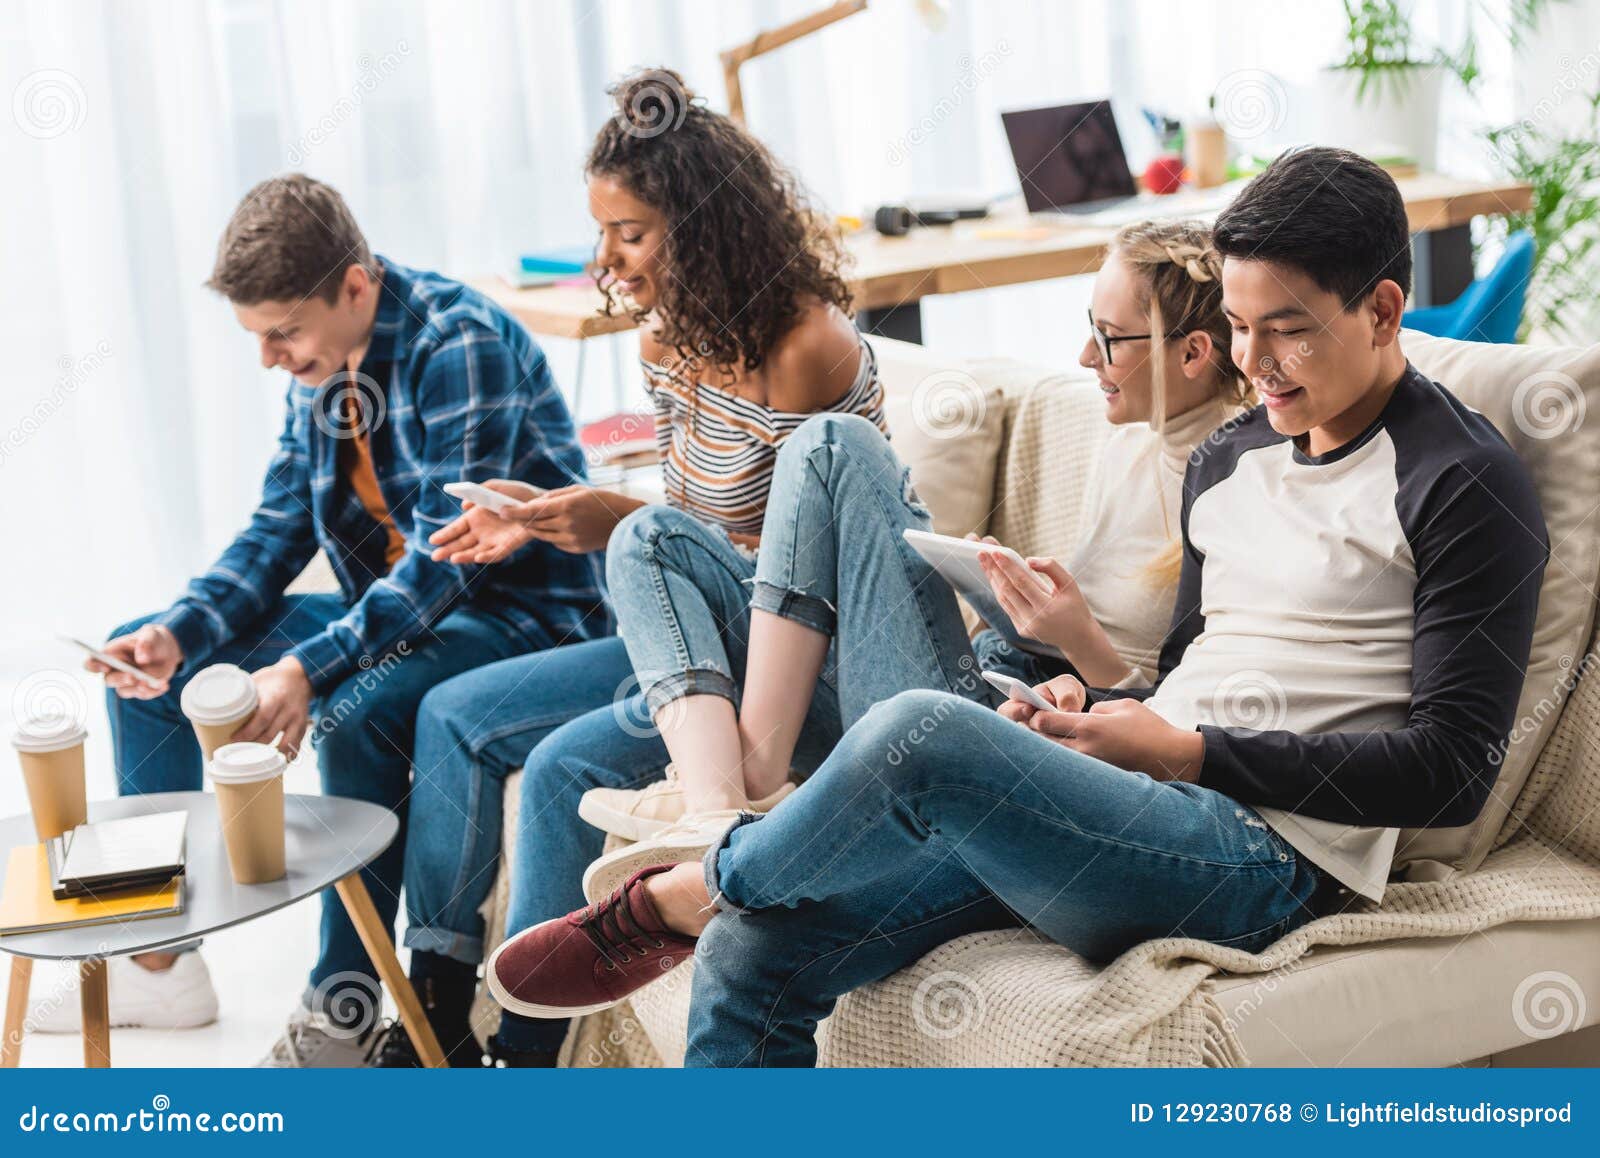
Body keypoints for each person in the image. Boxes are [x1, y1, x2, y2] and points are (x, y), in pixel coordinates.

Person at [486, 146, 1551, 1068]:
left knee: (912, 732)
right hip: (1136, 799)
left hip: (1266, 863)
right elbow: (1181, 675)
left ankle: (686, 889)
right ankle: (717, 913)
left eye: (1287, 332)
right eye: (1235, 327)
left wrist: (1184, 755)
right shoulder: (1230, 454)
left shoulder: (1461, 482)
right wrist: (1090, 717)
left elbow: (1452, 771)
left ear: (1380, 309)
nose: (1253, 364)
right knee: (759, 952)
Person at [377, 68, 885, 1067]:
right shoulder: (670, 342)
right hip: (696, 631)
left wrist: (621, 523)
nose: (607, 255)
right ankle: (435, 1012)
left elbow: (798, 568)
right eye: (601, 230)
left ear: (701, 225)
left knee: (564, 762)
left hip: (794, 659)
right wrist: (569, 515)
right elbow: (688, 527)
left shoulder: (804, 349)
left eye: (631, 231)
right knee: (452, 714)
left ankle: (526, 1057)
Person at [83, 175, 608, 1067]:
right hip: (405, 612)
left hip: (517, 617)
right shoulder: (324, 364)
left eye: (283, 332)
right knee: (156, 673)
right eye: (258, 337)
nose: (271, 359)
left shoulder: (459, 343)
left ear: (356, 286)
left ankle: (344, 1005)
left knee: (358, 699)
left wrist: (307, 669)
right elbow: (279, 527)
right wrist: (181, 628)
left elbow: (443, 569)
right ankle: (159, 964)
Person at [576, 218, 1255, 898]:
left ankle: (732, 799)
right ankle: (719, 803)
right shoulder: (1133, 440)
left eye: (1108, 338)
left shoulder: (1236, 488)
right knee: (649, 539)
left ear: (1193, 353)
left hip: (984, 748)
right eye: (1089, 328)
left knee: (835, 444)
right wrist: (1001, 599)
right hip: (992, 688)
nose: (1084, 356)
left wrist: (1073, 636)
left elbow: (1174, 737)